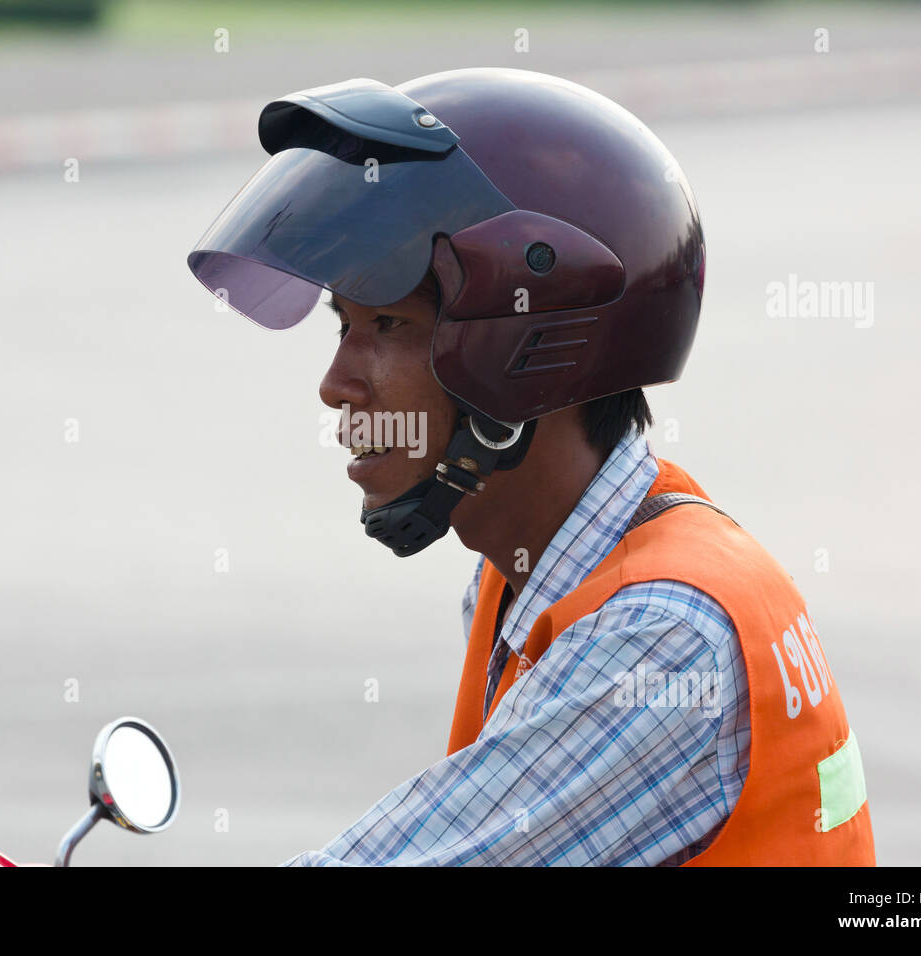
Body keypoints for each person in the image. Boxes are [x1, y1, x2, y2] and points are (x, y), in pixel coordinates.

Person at [187, 68, 876, 866]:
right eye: (341, 327)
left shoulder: (656, 639)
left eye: (385, 325)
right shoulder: (535, 574)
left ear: (524, 352)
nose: (336, 385)